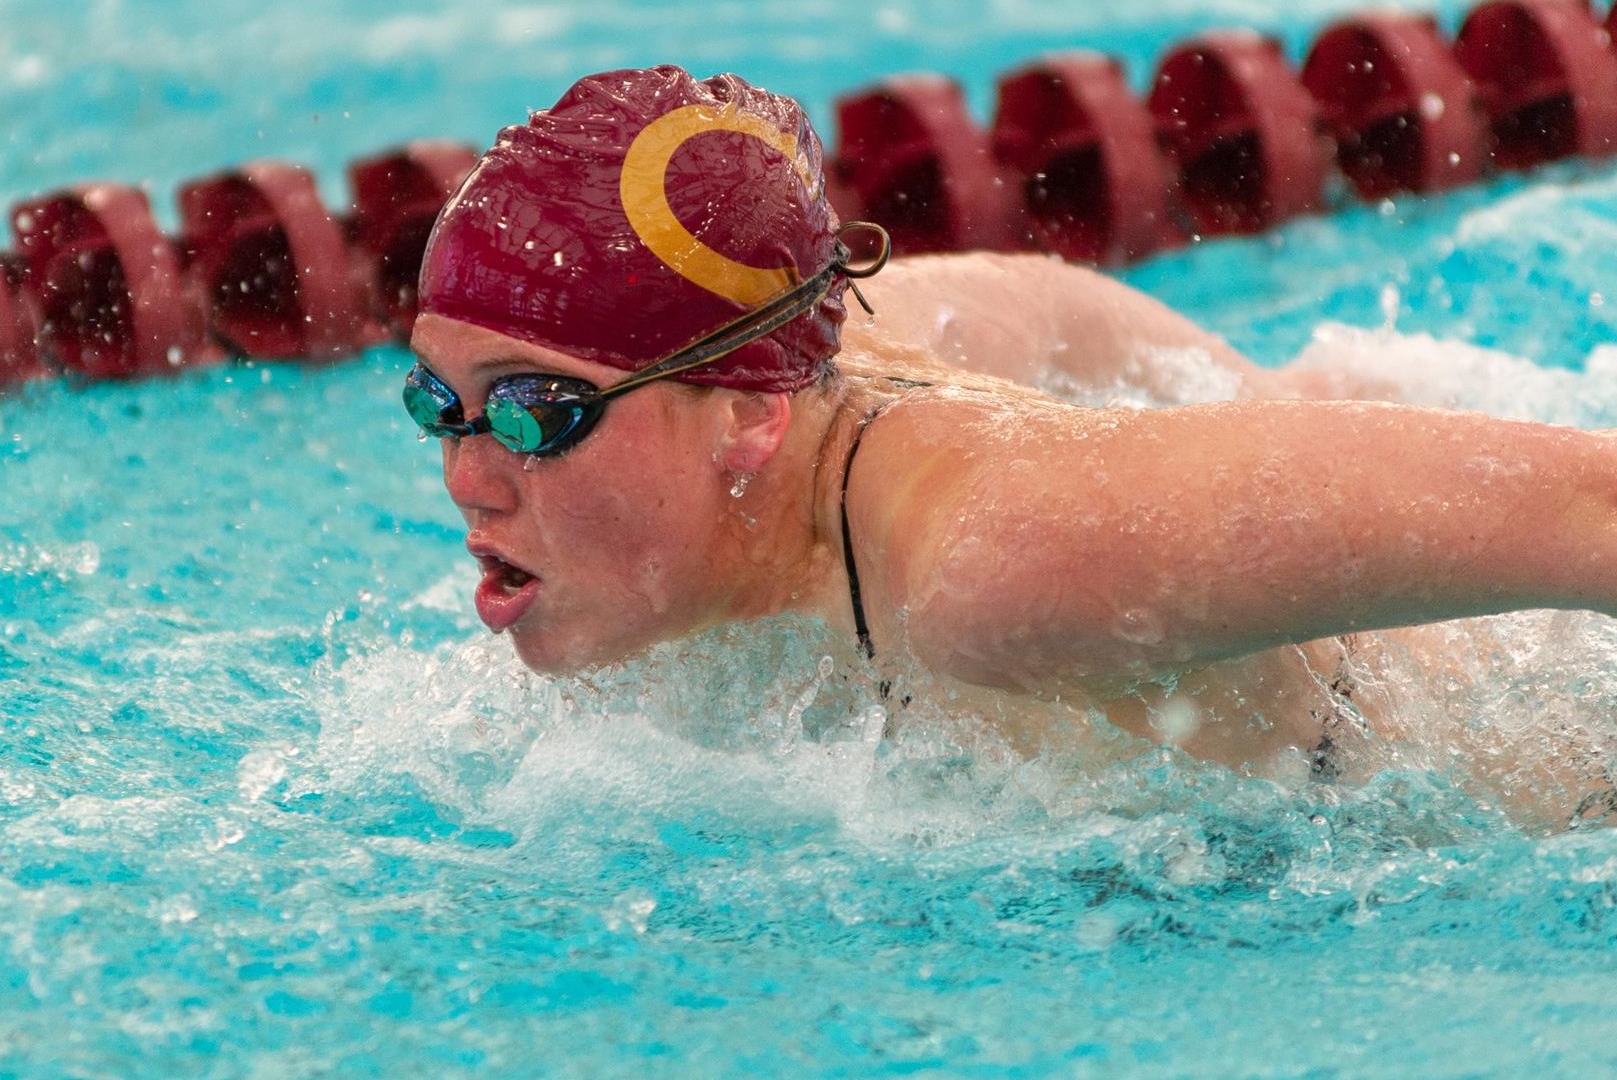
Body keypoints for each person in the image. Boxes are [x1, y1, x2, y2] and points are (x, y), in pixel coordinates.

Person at [403, 65, 1617, 830]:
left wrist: (1237, 457)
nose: (468, 473)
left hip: (1533, 773)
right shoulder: (808, 361)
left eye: (535, 413)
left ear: (747, 417)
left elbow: (1595, 510)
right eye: (437, 403)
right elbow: (1042, 304)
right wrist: (1258, 400)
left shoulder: (1004, 566)